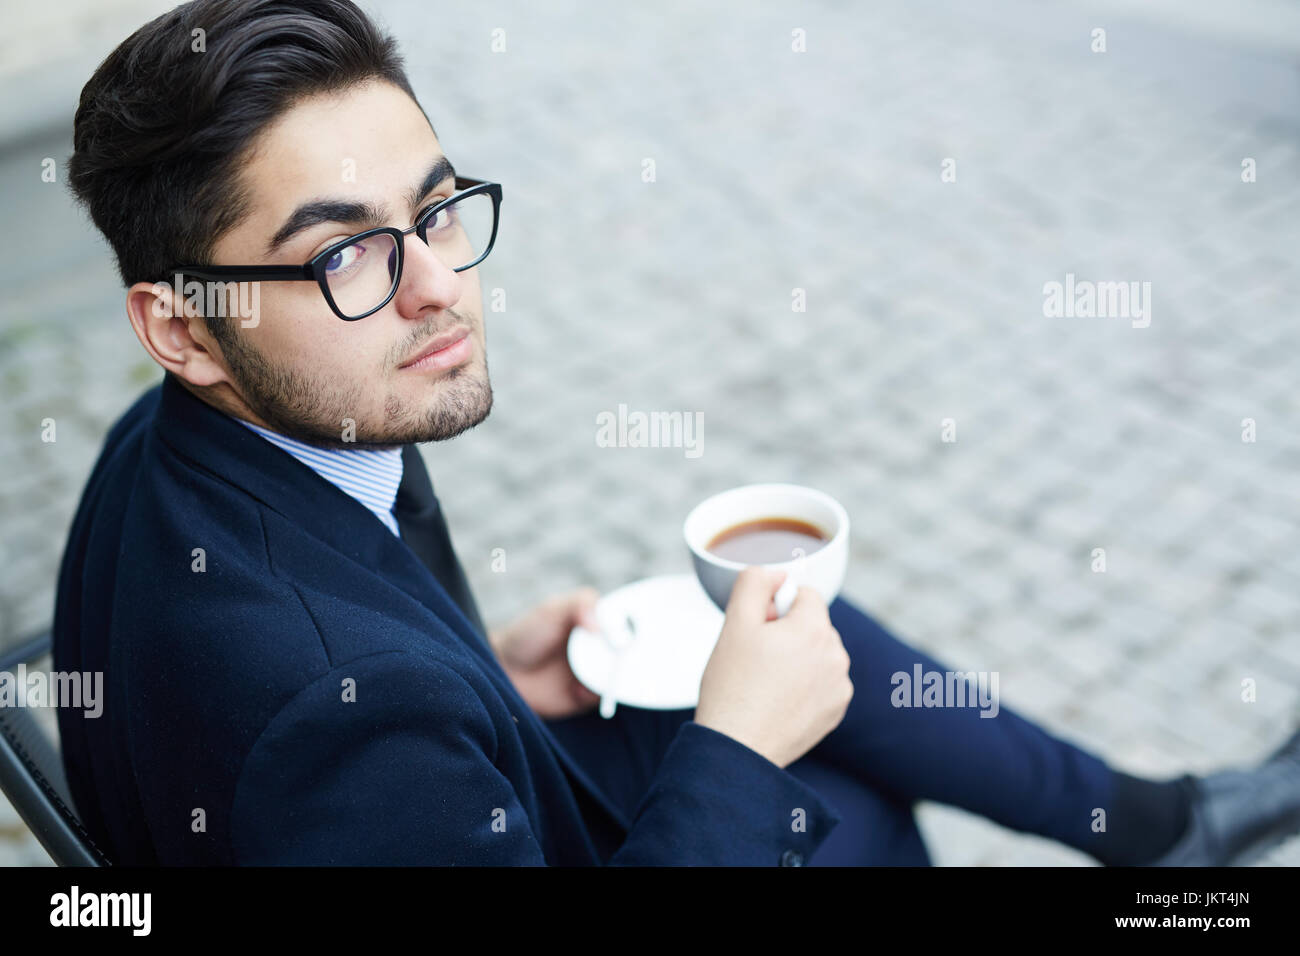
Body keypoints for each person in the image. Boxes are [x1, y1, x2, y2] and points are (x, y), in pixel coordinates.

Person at [52, 0, 1300, 866]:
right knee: (851, 814)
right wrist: (736, 747)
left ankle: (1155, 826)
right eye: (342, 253)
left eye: (435, 211)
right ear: (184, 328)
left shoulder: (194, 441)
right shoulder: (343, 710)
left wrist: (489, 677)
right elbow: (325, 713)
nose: (434, 281)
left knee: (762, 614)